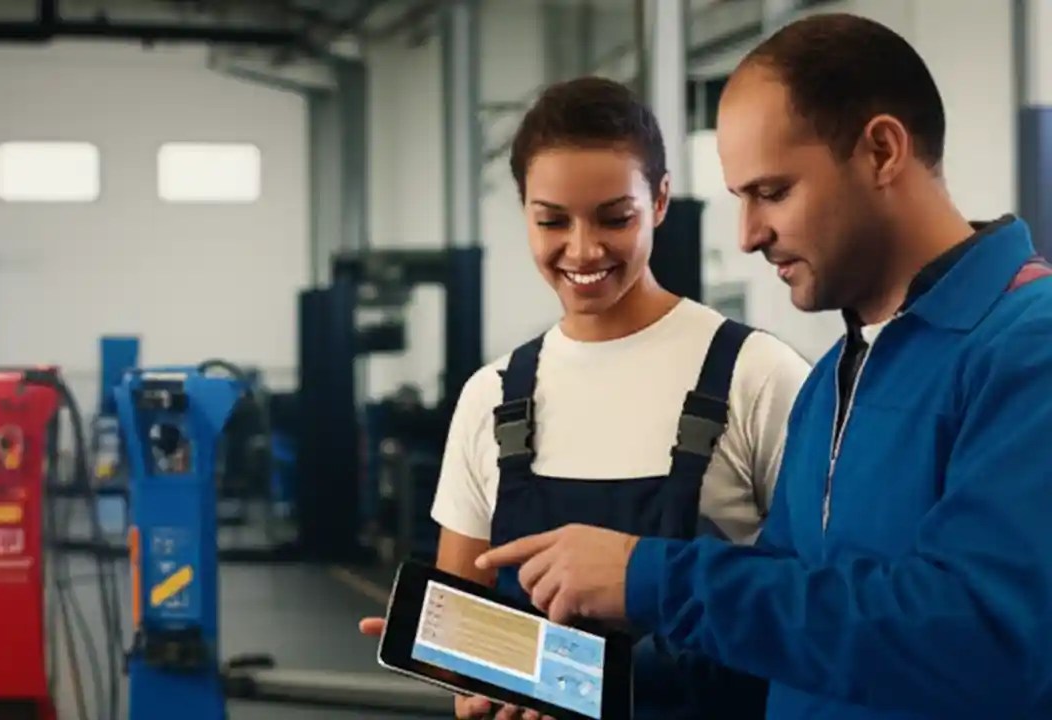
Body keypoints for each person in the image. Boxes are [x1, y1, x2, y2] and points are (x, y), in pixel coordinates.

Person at [474, 12, 1052, 720]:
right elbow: (777, 640)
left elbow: (984, 641)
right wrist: (566, 681)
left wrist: (648, 576)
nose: (748, 236)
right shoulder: (836, 377)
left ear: (880, 151)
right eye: (740, 198)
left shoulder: (1029, 349)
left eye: (772, 193)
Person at [358, 76, 810, 719]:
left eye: (613, 217)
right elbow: (466, 616)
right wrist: (468, 678)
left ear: (659, 202)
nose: (583, 249)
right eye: (551, 221)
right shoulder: (492, 399)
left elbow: (807, 610)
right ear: (524, 213)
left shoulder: (757, 376)